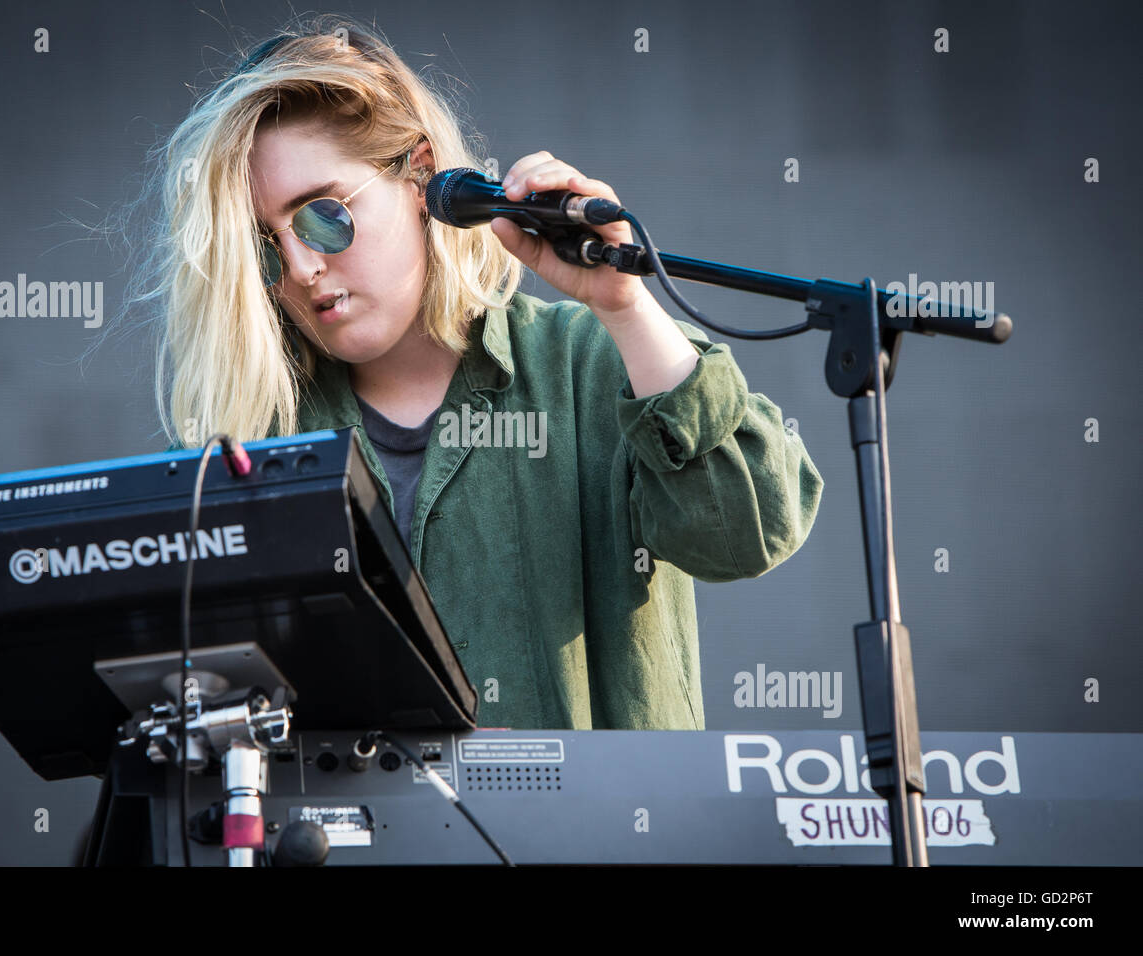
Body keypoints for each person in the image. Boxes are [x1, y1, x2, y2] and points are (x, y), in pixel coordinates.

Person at [152, 17, 824, 729]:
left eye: (324, 217)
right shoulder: (251, 438)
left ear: (420, 176)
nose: (301, 268)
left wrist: (626, 308)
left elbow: (748, 535)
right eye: (264, 246)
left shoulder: (593, 361)